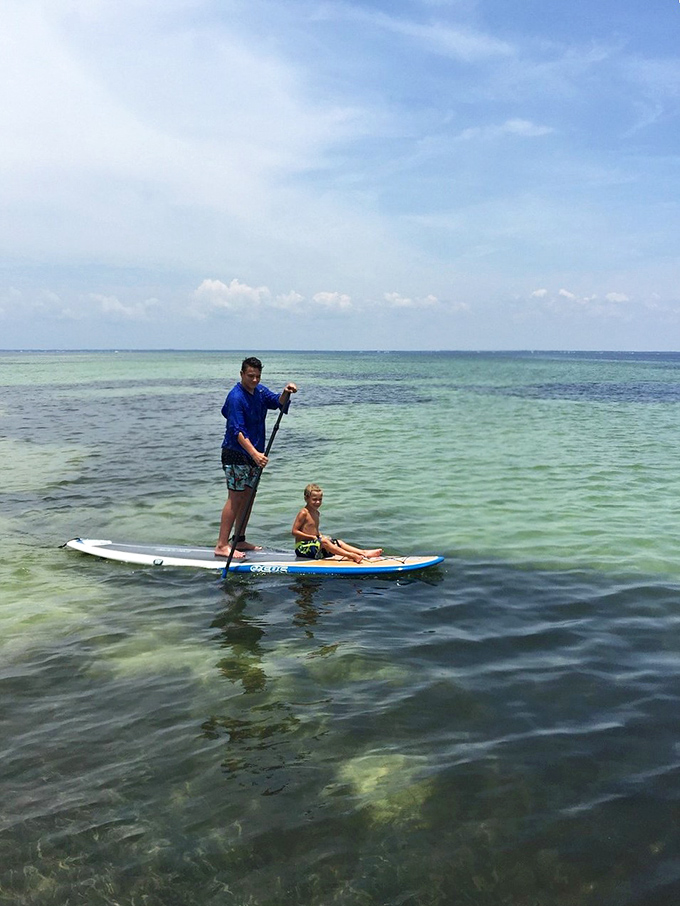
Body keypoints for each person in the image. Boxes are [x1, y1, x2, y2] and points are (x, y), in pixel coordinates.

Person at [215, 356, 297, 559]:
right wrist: (254, 453)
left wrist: (286, 392)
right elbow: (237, 430)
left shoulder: (260, 391)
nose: (254, 380)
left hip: (255, 454)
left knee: (248, 497)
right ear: (242, 374)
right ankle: (221, 545)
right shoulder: (236, 397)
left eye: (257, 376)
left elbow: (278, 402)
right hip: (236, 453)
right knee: (235, 498)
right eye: (250, 376)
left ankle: (239, 539)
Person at [291, 484, 383, 563]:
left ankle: (363, 552)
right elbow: (294, 531)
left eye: (320, 499)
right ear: (306, 498)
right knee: (324, 542)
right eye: (314, 499)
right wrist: (312, 537)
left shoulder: (316, 513)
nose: (318, 502)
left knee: (338, 542)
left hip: (313, 544)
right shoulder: (304, 513)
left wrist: (321, 536)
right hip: (302, 548)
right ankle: (351, 556)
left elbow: (314, 530)